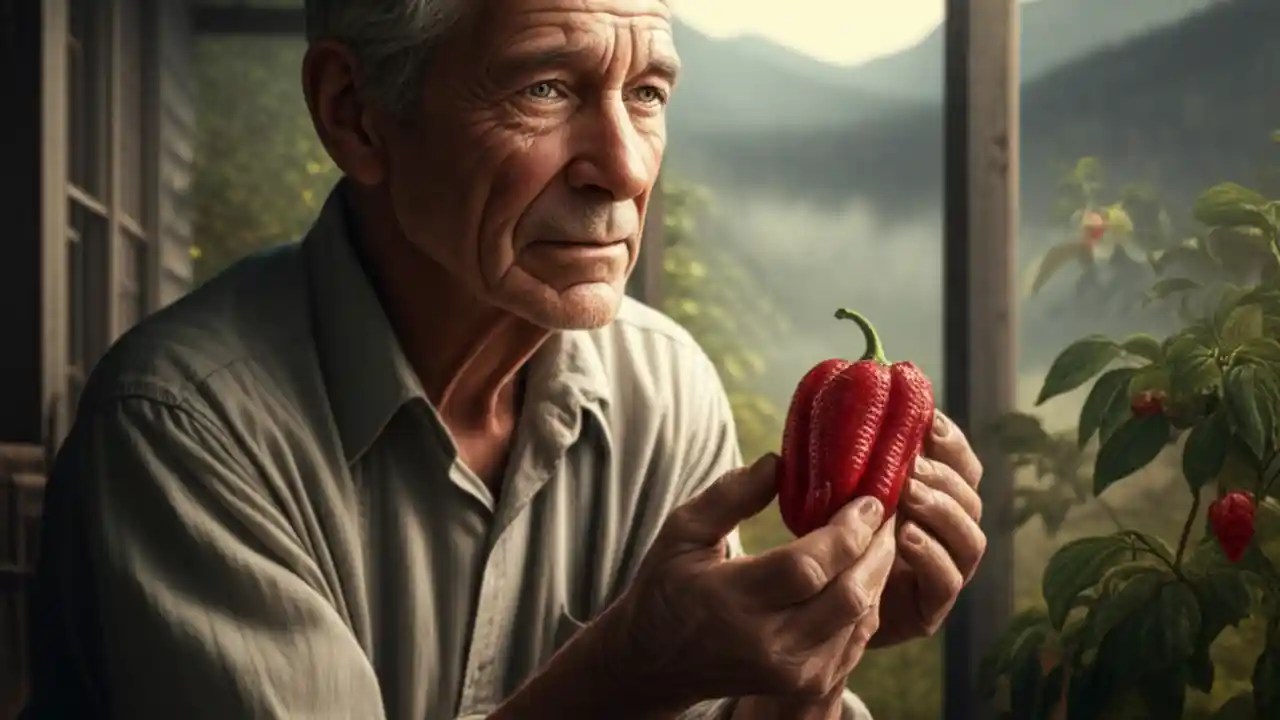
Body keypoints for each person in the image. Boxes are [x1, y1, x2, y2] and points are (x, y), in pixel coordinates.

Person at [25, 0, 987, 718]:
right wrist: (627, 673)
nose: (625, 167)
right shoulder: (181, 427)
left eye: (647, 94)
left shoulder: (666, 389)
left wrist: (815, 653)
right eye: (546, 87)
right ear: (355, 114)